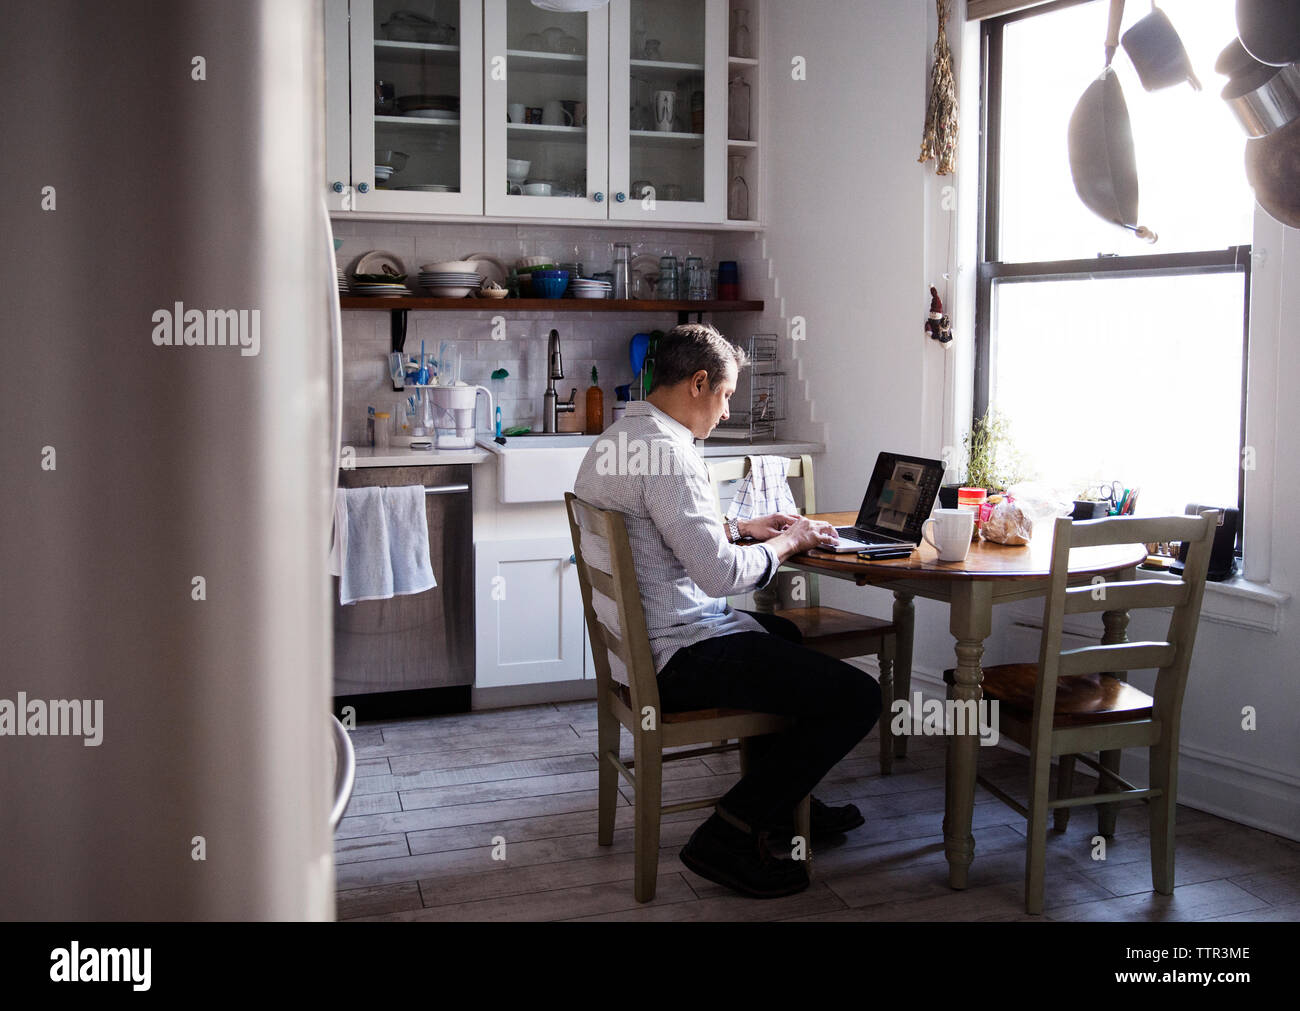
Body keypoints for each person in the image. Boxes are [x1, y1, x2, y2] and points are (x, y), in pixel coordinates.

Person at [573, 323, 882, 898]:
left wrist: (742, 528)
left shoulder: (618, 438)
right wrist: (792, 541)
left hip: (643, 647)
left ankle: (786, 803)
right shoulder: (671, 454)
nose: (725, 411)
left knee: (784, 636)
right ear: (697, 383)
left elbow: (660, 533)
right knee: (858, 697)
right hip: (677, 656)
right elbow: (719, 576)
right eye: (727, 395)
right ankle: (731, 831)